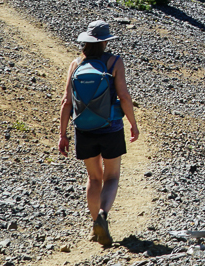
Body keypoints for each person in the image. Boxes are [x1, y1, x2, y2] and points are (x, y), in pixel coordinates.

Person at [58, 19, 140, 247]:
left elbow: (66, 102)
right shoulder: (114, 61)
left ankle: (95, 224)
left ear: (86, 41)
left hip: (84, 128)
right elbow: (124, 96)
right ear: (105, 42)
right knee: (111, 176)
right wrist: (133, 123)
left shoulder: (75, 64)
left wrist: (63, 135)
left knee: (94, 178)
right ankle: (103, 215)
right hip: (111, 126)